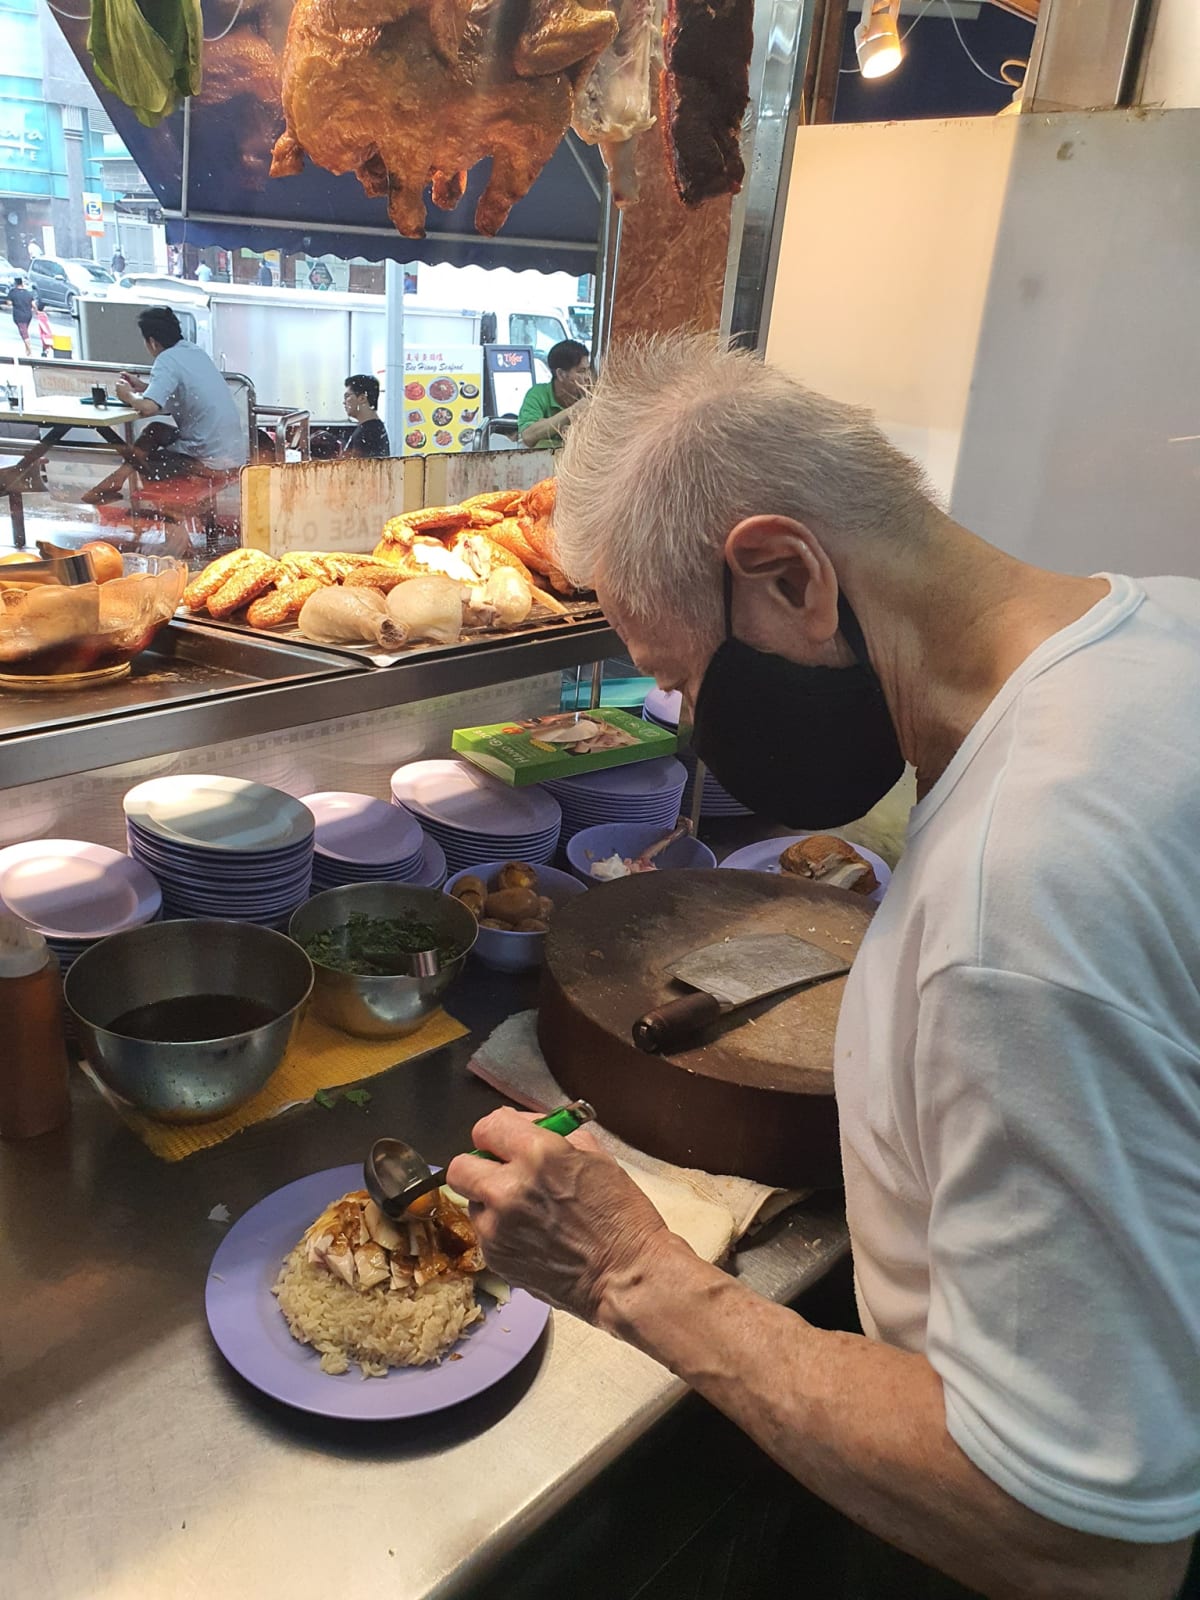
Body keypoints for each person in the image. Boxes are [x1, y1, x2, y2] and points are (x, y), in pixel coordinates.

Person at [447, 334, 1200, 1600]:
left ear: (787, 572)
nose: (690, 721)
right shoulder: (1162, 620)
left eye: (681, 675)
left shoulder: (1017, 898)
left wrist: (636, 1273)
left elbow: (1092, 1543)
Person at [85, 305, 246, 502]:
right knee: (155, 431)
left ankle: (171, 512)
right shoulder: (194, 352)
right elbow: (183, 396)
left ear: (152, 342)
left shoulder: (166, 359)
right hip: (233, 455)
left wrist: (128, 395)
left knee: (149, 464)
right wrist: (144, 388)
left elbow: (148, 408)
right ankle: (116, 480)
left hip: (210, 461)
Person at [517, 338, 591, 449]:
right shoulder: (537, 395)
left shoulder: (592, 397)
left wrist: (546, 427)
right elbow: (528, 435)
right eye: (581, 371)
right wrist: (573, 411)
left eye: (588, 370)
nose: (587, 377)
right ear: (561, 374)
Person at [341, 373, 389, 458]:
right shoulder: (374, 428)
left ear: (362, 398)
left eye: (347, 396)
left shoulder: (368, 433)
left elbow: (359, 469)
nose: (344, 402)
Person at [8, 275, 34, 356]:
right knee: (24, 331)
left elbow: (9, 303)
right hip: (28, 315)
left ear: (15, 284)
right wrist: (37, 311)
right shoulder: (28, 293)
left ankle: (30, 351)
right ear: (22, 284)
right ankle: (27, 351)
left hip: (19, 316)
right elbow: (33, 304)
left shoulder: (12, 292)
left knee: (24, 334)